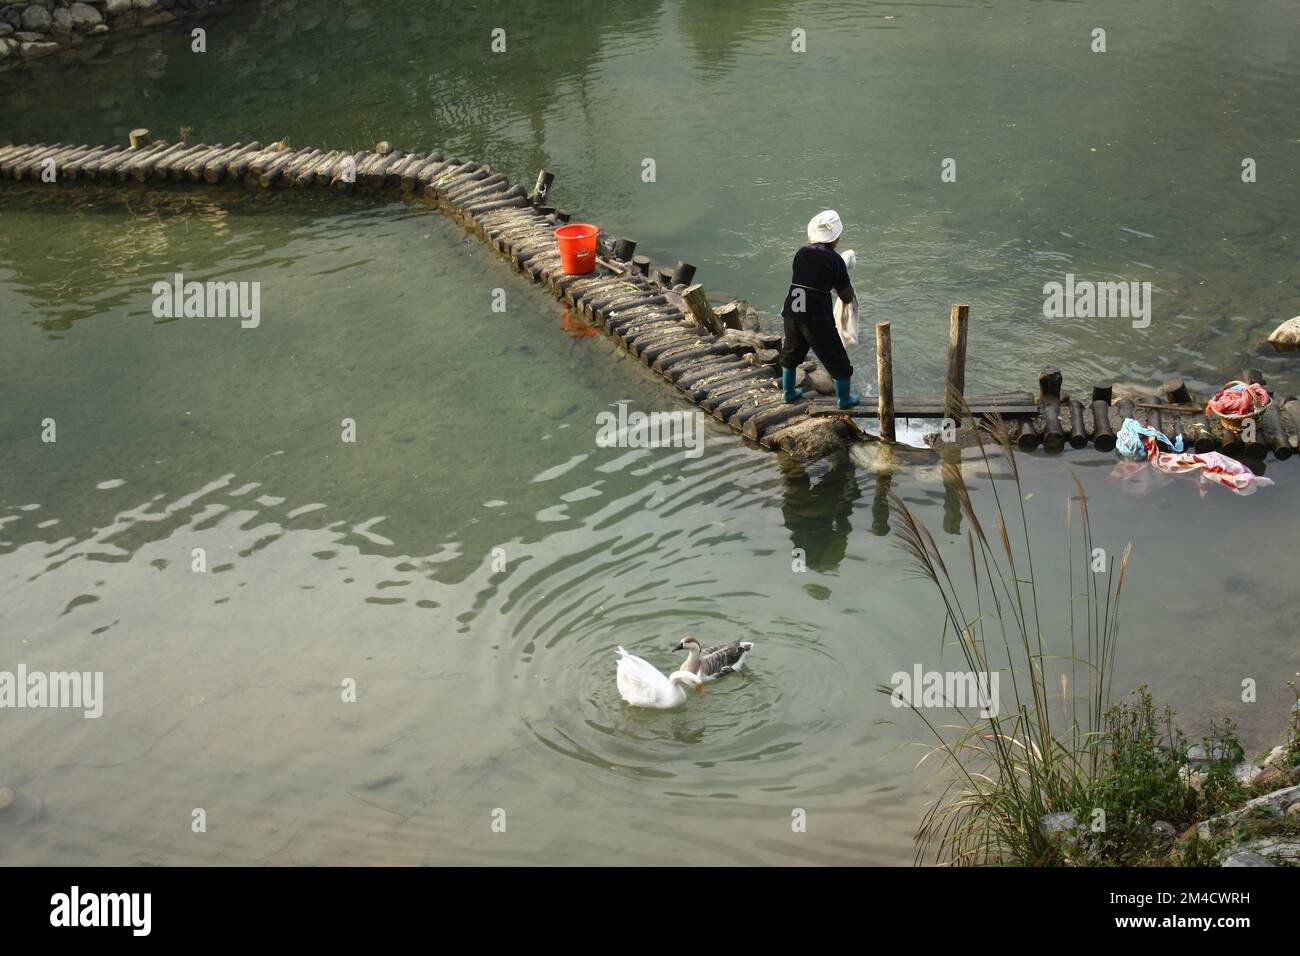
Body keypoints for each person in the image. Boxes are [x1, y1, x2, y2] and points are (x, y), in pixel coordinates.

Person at [779, 210, 860, 409]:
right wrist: (845, 274)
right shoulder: (835, 260)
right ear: (836, 238)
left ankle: (789, 393)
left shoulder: (801, 253)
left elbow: (809, 279)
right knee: (838, 360)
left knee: (791, 354)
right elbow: (845, 296)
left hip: (791, 312)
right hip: (816, 318)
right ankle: (844, 400)